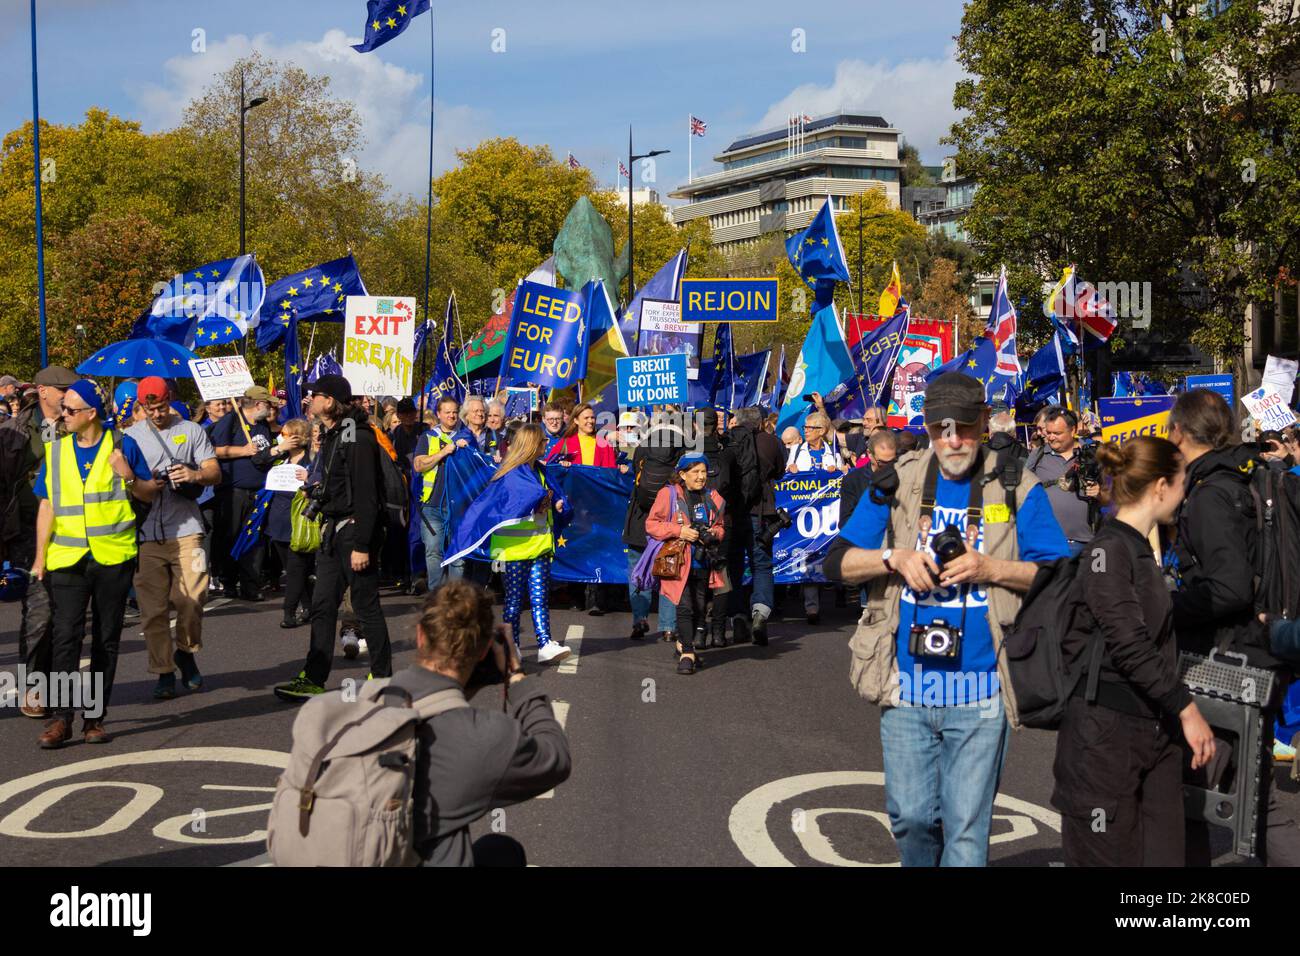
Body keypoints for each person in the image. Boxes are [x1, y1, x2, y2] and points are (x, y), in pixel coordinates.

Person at [821, 372, 1070, 866]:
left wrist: (989, 567)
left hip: (983, 695)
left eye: (963, 427)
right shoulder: (898, 481)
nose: (953, 440)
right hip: (907, 691)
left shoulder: (1015, 483)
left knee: (965, 833)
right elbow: (838, 564)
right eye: (940, 428)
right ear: (928, 427)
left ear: (982, 421)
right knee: (911, 819)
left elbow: (1060, 575)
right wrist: (894, 558)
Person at [1053, 436, 1216, 866]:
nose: (1184, 494)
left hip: (1150, 732)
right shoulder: (1108, 550)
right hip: (1104, 739)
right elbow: (1128, 642)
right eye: (1182, 483)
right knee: (1106, 855)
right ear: (1161, 486)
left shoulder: (1139, 547)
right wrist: (1187, 708)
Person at [1167, 388, 1300, 866]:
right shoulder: (1244, 478)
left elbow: (1229, 588)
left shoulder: (1211, 496)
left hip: (1225, 664)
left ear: (1179, 431)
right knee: (1257, 801)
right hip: (1257, 654)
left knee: (1188, 796)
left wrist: (1168, 606)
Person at [386, 580, 571, 866]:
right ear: (484, 650)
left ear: (421, 636)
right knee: (502, 851)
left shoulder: (343, 711)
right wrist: (516, 676)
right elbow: (555, 758)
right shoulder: (479, 736)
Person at [32, 380, 153, 747]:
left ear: (91, 413)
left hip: (112, 557)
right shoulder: (55, 451)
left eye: (70, 410)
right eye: (63, 408)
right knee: (65, 637)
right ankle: (62, 719)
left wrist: (128, 476)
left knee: (106, 639)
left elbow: (150, 491)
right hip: (67, 558)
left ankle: (94, 720)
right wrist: (39, 557)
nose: (62, 414)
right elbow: (47, 506)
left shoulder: (123, 445)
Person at [273, 375, 393, 702]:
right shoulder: (336, 434)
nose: (309, 400)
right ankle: (313, 677)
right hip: (332, 530)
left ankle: (382, 677)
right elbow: (338, 484)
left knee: (366, 607)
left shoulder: (357, 437)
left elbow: (367, 494)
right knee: (323, 605)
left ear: (330, 401)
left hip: (354, 532)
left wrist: (362, 545)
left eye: (315, 395)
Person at [122, 377, 222, 699]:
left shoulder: (193, 431)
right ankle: (164, 671)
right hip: (148, 534)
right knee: (152, 611)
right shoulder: (130, 438)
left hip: (187, 529)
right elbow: (125, 485)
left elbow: (214, 472)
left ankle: (186, 652)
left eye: (161, 407)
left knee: (192, 599)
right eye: (149, 409)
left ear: (170, 401)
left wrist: (193, 475)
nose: (156, 414)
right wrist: (140, 483)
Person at [444, 423, 572, 664]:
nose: (546, 444)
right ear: (532, 444)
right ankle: (512, 646)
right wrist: (535, 502)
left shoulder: (542, 472)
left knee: (540, 597)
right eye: (543, 441)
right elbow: (506, 507)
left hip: (540, 544)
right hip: (512, 549)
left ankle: (545, 643)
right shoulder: (510, 474)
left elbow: (548, 499)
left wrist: (556, 505)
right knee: (513, 602)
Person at [4, 364, 78, 718]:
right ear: (44, 391)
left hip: (75, 531)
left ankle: (60, 687)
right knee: (38, 612)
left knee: (68, 616)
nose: (68, 395)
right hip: (29, 532)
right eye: (63, 390)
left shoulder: (81, 426)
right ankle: (34, 687)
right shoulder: (13, 431)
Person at [645, 452, 727, 675]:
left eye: (703, 472)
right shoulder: (668, 494)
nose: (701, 477)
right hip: (677, 561)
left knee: (700, 607)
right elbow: (652, 524)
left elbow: (721, 526)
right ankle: (688, 654)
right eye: (695, 472)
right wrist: (679, 530)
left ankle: (684, 642)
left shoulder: (713, 496)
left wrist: (714, 534)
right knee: (684, 606)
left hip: (703, 561)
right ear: (682, 474)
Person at [622, 408, 686, 643]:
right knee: (670, 570)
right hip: (670, 517)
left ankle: (640, 618)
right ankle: (669, 626)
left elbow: (634, 475)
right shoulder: (683, 449)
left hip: (641, 517)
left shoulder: (643, 447)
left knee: (637, 569)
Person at [210, 386, 279, 599]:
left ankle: (251, 584)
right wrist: (243, 451)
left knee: (255, 539)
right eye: (267, 404)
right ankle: (229, 581)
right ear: (258, 404)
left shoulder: (263, 427)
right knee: (230, 536)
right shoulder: (230, 422)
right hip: (234, 491)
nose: (270, 409)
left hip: (259, 491)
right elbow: (212, 450)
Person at [725, 406, 785, 646]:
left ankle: (738, 617)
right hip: (762, 512)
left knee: (733, 566)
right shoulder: (772, 442)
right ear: (760, 423)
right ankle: (760, 613)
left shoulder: (728, 442)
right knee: (761, 565)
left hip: (732, 513)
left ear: (737, 423)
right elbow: (779, 472)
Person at [257, 418, 315, 629]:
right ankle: (309, 606)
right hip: (278, 520)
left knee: (295, 569)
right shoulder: (280, 458)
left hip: (298, 521)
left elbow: (321, 482)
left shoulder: (311, 460)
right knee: (292, 568)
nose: (282, 437)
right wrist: (278, 448)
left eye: (286, 434)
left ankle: (289, 612)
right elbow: (257, 461)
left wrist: (310, 478)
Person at [412, 396, 474, 590]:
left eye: (455, 412)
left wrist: (468, 450)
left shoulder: (467, 437)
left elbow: (476, 469)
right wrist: (444, 452)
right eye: (447, 412)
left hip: (459, 507)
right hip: (432, 506)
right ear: (438, 414)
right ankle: (436, 597)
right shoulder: (428, 437)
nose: (451, 416)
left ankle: (455, 600)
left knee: (458, 556)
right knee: (433, 552)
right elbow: (418, 465)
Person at [1026, 406, 1099, 556]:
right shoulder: (1037, 455)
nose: (1051, 437)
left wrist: (1101, 491)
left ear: (1072, 431)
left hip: (1091, 544)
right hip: (1049, 543)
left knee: (1096, 577)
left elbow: (1116, 492)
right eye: (1049, 432)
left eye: (1057, 433)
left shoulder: (1092, 452)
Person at [546, 403, 617, 467]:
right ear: (576, 420)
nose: (590, 421)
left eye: (592, 418)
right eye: (586, 418)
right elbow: (550, 464)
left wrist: (623, 468)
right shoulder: (565, 442)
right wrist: (561, 464)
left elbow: (611, 471)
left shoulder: (604, 443)